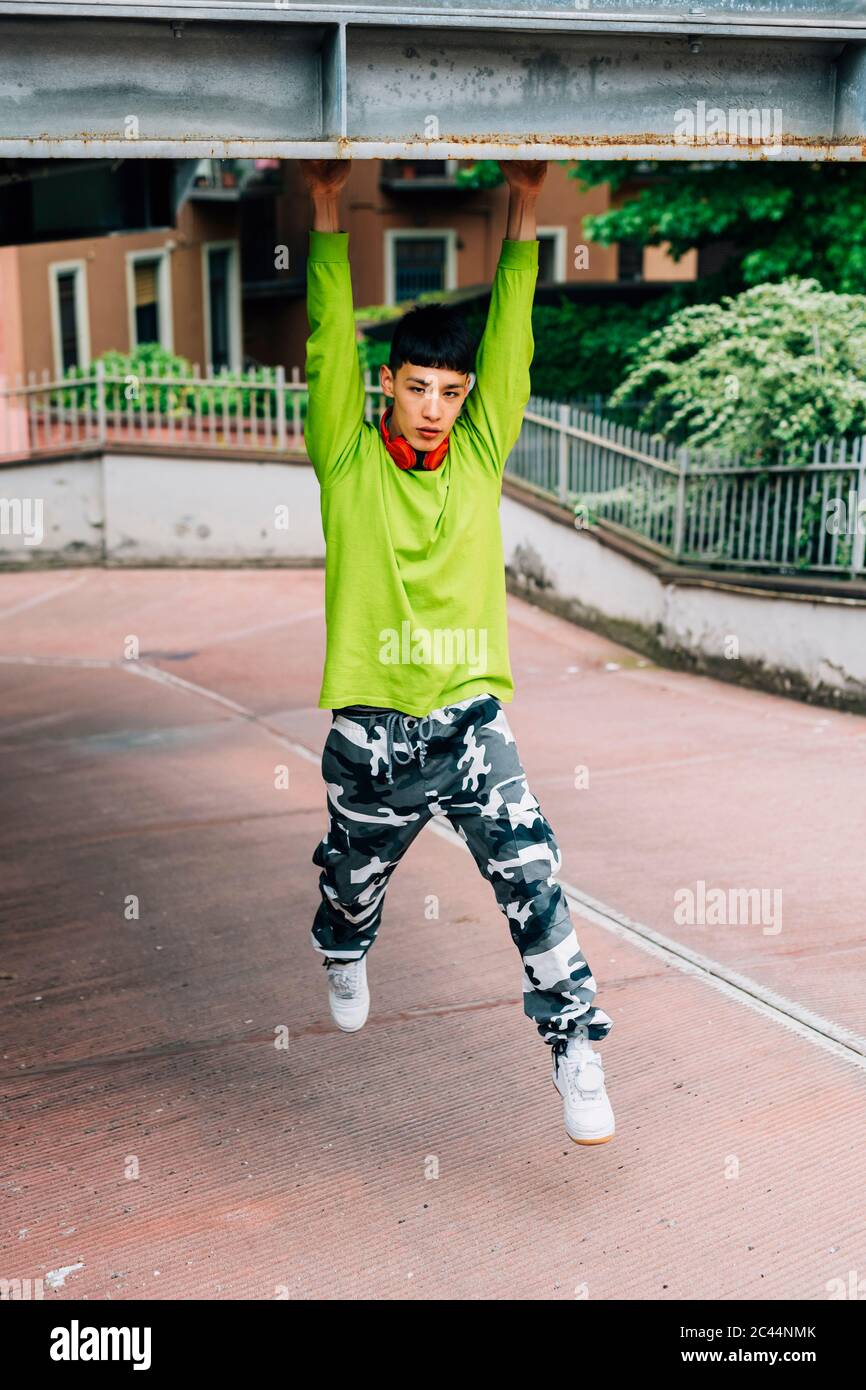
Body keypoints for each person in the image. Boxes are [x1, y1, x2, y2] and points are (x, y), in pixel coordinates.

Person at [300, 157, 614, 1145]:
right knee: (351, 885)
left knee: (531, 868)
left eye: (449, 390)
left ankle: (574, 1043)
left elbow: (513, 346)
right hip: (370, 736)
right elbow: (323, 345)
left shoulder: (478, 458)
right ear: (385, 385)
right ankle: (343, 945)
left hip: (469, 723)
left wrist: (523, 209)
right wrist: (320, 211)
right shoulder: (346, 463)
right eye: (416, 388)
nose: (432, 407)